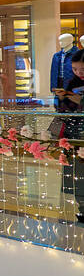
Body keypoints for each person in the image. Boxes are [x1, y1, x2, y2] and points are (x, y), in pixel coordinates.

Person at [57, 49, 84, 224]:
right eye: (75, 69)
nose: (78, 73)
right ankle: (81, 207)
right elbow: (63, 111)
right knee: (77, 175)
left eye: (82, 69)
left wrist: (76, 99)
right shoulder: (71, 83)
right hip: (73, 136)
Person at [51, 33, 77, 111]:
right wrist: (52, 86)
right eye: (60, 41)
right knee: (59, 107)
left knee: (72, 107)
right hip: (59, 82)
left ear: (70, 41)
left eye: (63, 41)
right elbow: (53, 72)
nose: (60, 43)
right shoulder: (56, 55)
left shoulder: (78, 54)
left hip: (72, 83)